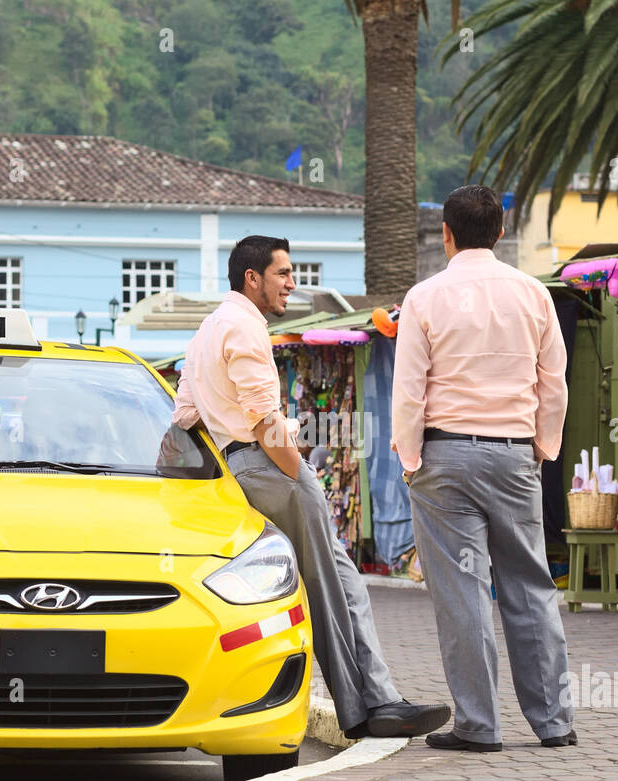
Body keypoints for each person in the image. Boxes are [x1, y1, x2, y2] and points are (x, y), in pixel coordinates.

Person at [172, 235, 451, 738]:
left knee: (341, 581)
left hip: (237, 471)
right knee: (329, 588)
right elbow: (262, 416)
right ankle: (366, 707)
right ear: (252, 278)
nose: (292, 285)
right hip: (269, 467)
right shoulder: (244, 327)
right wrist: (293, 464)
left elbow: (186, 414)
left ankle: (379, 697)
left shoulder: (207, 331)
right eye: (283, 273)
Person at [391, 185, 573, 752]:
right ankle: (554, 723)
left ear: (445, 234)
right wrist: (542, 447)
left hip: (444, 459)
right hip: (515, 454)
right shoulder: (534, 294)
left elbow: (408, 392)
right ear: (500, 233)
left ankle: (478, 725)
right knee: (531, 584)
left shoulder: (424, 297)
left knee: (463, 592)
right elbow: (554, 384)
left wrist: (411, 458)